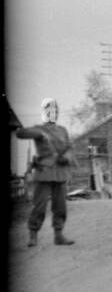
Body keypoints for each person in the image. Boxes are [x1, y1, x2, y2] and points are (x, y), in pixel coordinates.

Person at [16, 98, 78, 248]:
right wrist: (39, 133)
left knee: (60, 206)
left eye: (55, 111)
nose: (52, 114)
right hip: (44, 173)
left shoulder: (62, 130)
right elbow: (20, 133)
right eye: (49, 111)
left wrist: (67, 157)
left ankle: (59, 235)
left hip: (60, 173)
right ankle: (33, 235)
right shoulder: (38, 129)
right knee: (39, 206)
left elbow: (70, 147)